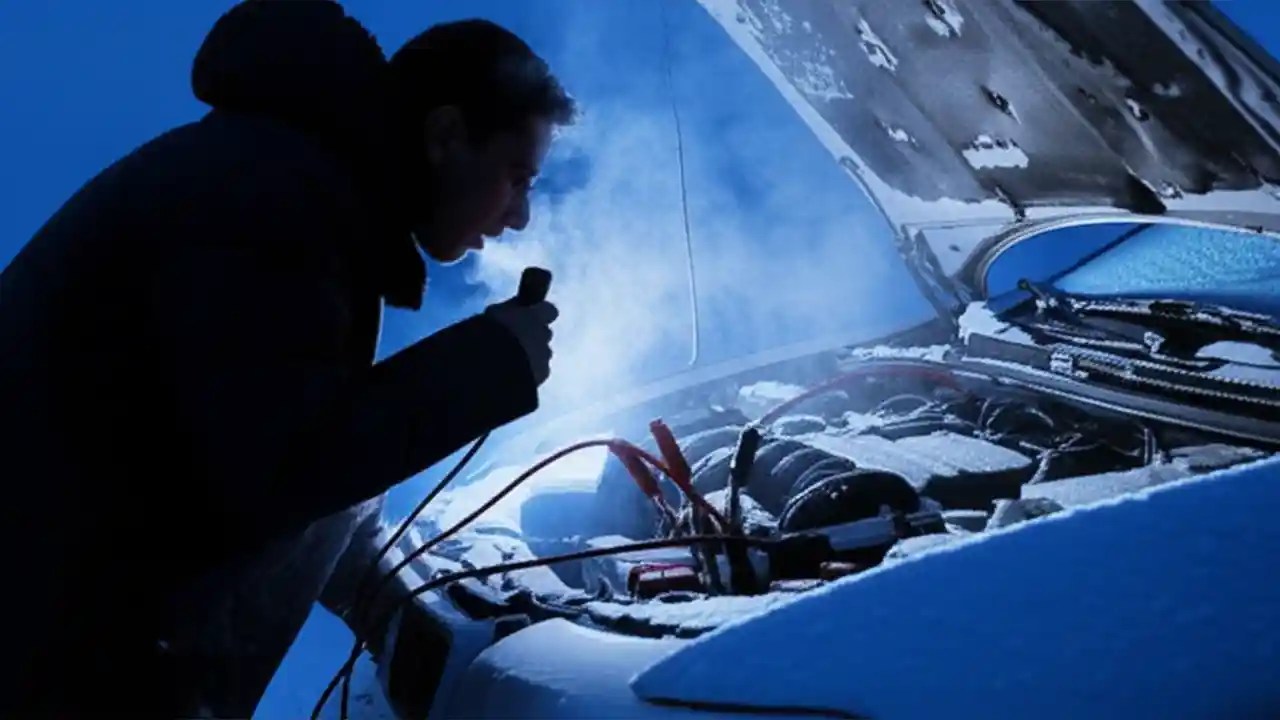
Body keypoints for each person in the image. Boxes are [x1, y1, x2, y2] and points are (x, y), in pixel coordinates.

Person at [0, 1, 575, 716]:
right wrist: (489, 363)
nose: (520, 215)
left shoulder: (297, 189)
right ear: (446, 136)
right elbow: (275, 466)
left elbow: (293, 454)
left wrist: (394, 603)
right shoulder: (265, 202)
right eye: (517, 177)